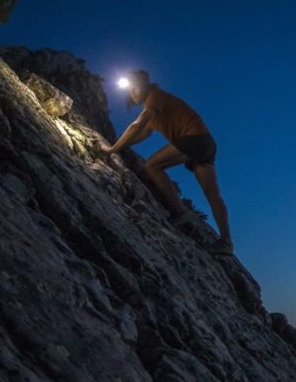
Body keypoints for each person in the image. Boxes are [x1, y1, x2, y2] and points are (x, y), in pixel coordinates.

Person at [100, 70, 234, 255]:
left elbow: (136, 126)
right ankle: (227, 243)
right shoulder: (156, 108)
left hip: (194, 139)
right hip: (206, 143)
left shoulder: (154, 98)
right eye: (130, 90)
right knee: (213, 196)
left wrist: (112, 149)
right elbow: (142, 134)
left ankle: (181, 212)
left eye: (135, 87)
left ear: (144, 86)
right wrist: (120, 144)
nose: (133, 92)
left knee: (151, 165)